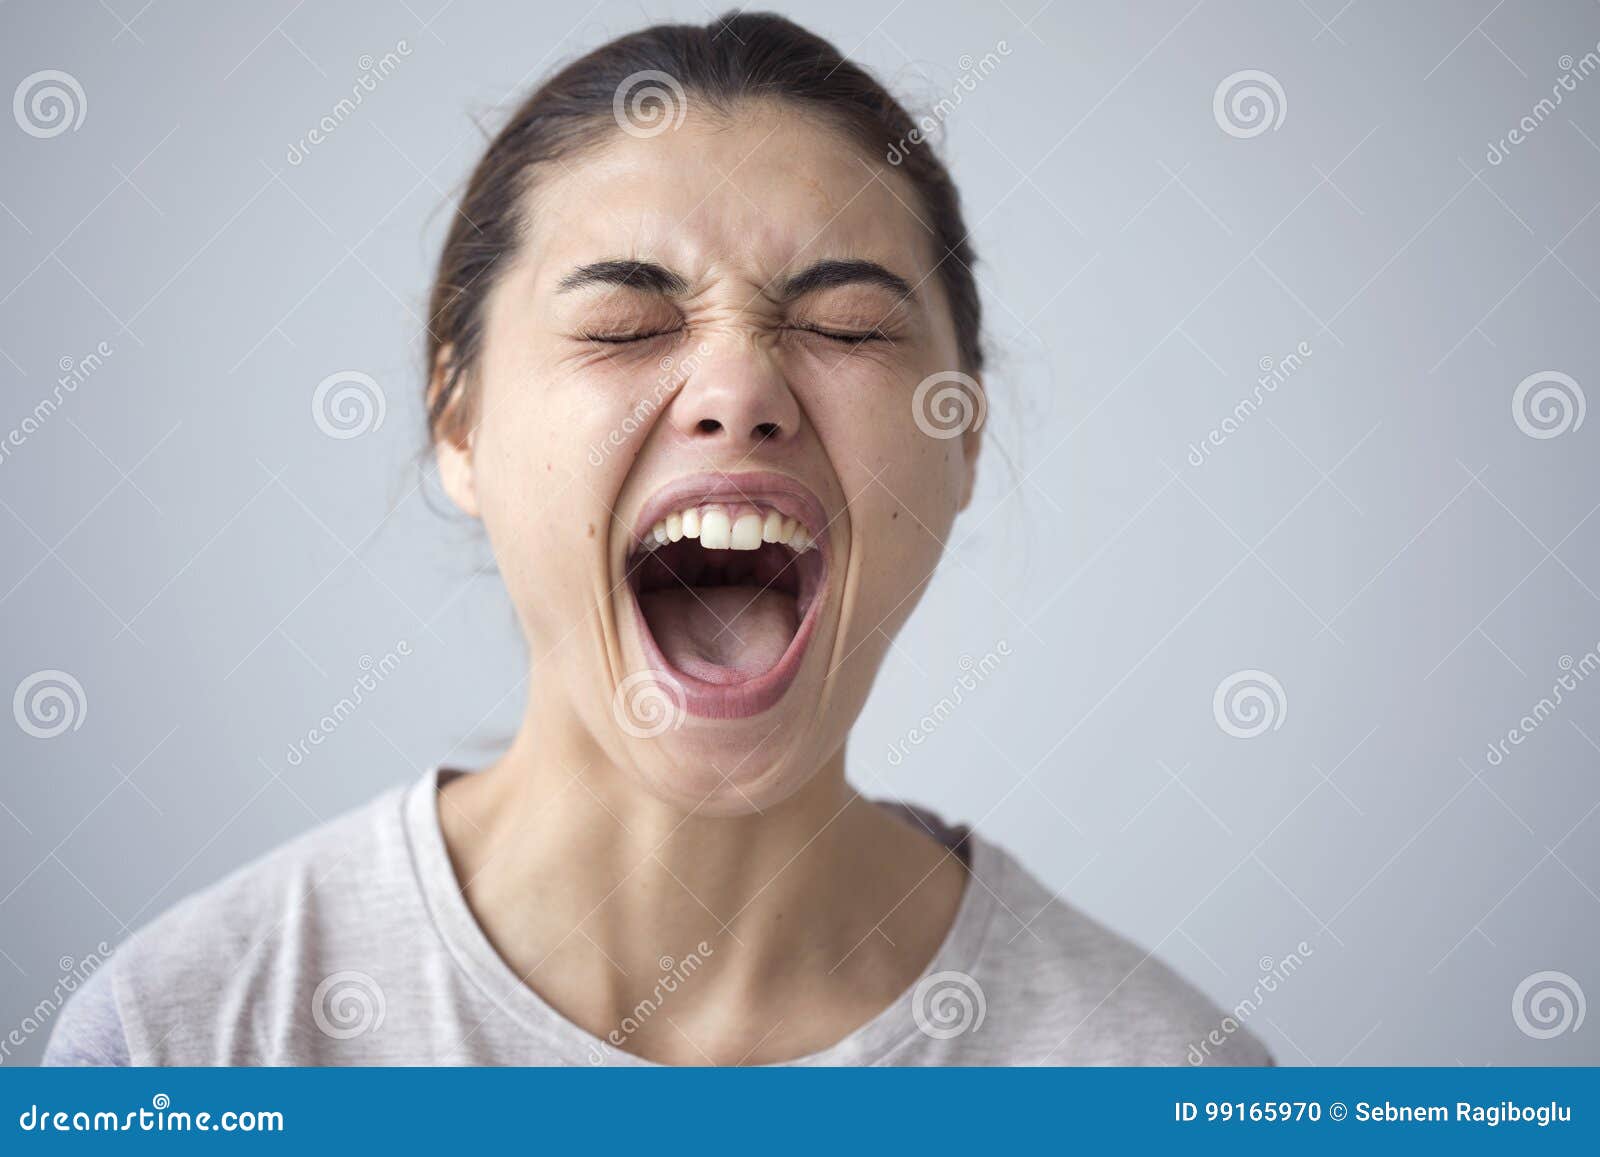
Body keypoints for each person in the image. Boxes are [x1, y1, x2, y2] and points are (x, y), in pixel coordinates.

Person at [45, 11, 1268, 1067]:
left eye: (847, 326)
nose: (739, 390)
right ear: (459, 423)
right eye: (625, 324)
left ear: (961, 438)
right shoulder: (185, 1040)